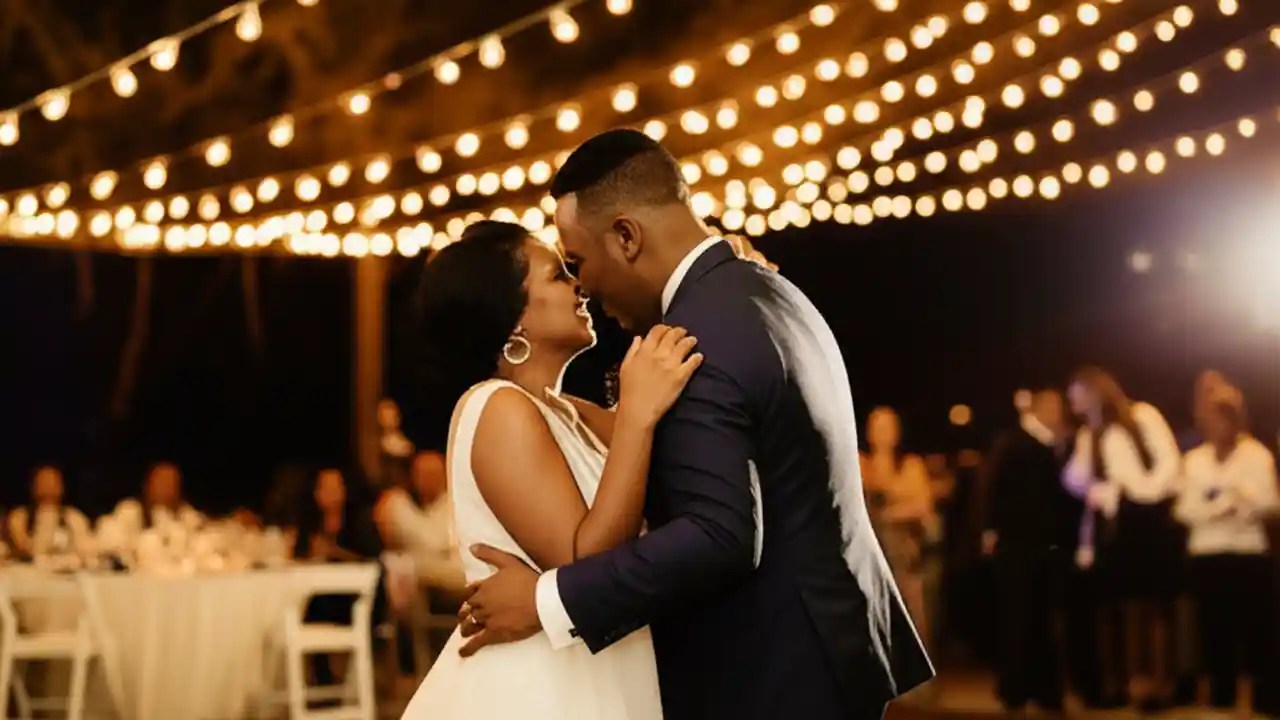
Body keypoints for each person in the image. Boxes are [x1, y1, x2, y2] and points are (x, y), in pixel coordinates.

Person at [450, 129, 932, 720]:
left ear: (626, 237)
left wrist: (547, 600)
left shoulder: (696, 338)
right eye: (562, 272)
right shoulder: (762, 291)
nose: (585, 288)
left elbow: (717, 534)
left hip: (768, 671)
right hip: (814, 647)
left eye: (577, 263)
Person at [400, 219, 702, 719]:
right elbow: (588, 567)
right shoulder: (496, 407)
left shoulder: (566, 411)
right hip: (537, 690)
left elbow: (666, 450)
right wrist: (637, 418)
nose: (578, 284)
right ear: (512, 316)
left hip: (596, 670)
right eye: (558, 275)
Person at [1064, 367, 1183, 710]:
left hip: (1148, 519)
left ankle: (1158, 684)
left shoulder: (1141, 415)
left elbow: (1168, 462)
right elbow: (1074, 480)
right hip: (1114, 527)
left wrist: (1140, 492)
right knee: (1118, 608)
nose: (1075, 405)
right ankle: (1126, 683)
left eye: (1078, 395)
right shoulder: (1091, 434)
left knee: (1152, 606)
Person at [1175, 391, 1279, 714]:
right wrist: (1218, 507)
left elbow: (1271, 503)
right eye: (1212, 419)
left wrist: (1241, 500)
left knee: (1256, 631)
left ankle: (1264, 700)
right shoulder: (1194, 460)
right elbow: (1184, 509)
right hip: (1207, 553)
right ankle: (1222, 698)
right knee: (1213, 630)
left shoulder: (1256, 455)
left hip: (1247, 553)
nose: (1218, 426)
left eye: (1225, 419)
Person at [981, 390, 1075, 712]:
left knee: (1044, 619)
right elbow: (992, 489)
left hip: (1046, 548)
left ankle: (1045, 690)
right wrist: (989, 530)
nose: (1055, 412)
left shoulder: (1058, 446)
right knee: (1017, 618)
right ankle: (1016, 689)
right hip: (1016, 545)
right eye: (1048, 406)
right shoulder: (1013, 443)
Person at [860, 407, 935, 646]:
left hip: (905, 553)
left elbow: (923, 505)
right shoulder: (860, 463)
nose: (883, 433)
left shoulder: (911, 465)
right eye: (877, 427)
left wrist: (889, 511)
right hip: (868, 555)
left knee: (911, 609)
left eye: (888, 427)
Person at [6, 465, 95, 561]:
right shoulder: (20, 517)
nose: (49, 487)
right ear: (33, 487)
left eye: (53, 482)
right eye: (44, 482)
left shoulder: (74, 517)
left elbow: (86, 547)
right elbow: (23, 547)